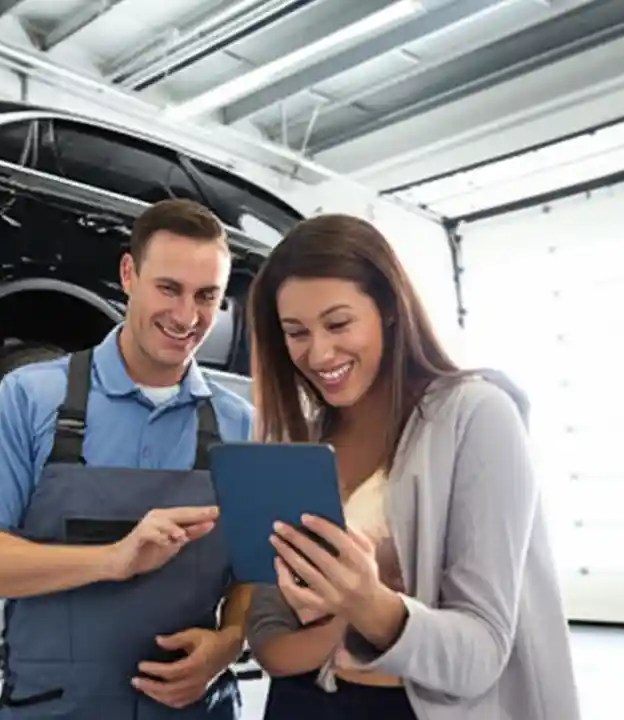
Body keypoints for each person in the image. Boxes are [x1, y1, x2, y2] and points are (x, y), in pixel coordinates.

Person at [242, 214, 581, 720]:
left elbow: (482, 652)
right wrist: (338, 620)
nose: (319, 352)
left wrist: (364, 601)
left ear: (389, 310)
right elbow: (269, 637)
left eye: (338, 324)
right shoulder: (303, 440)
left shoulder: (477, 415)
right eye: (296, 332)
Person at [0, 198, 256, 720]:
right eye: (168, 288)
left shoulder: (241, 426)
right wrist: (111, 560)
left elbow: (254, 574)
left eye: (206, 296)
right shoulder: (31, 399)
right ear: (129, 273)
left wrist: (230, 643)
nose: (186, 316)